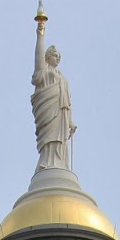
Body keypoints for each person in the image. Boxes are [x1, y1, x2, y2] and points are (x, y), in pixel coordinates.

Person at [31, 19, 76, 171]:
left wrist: (70, 122)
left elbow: (67, 105)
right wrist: (40, 35)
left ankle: (59, 165)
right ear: (48, 57)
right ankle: (47, 163)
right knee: (49, 137)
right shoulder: (44, 73)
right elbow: (38, 60)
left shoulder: (63, 78)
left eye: (59, 56)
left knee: (60, 141)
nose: (57, 58)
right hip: (48, 108)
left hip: (61, 114)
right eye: (55, 55)